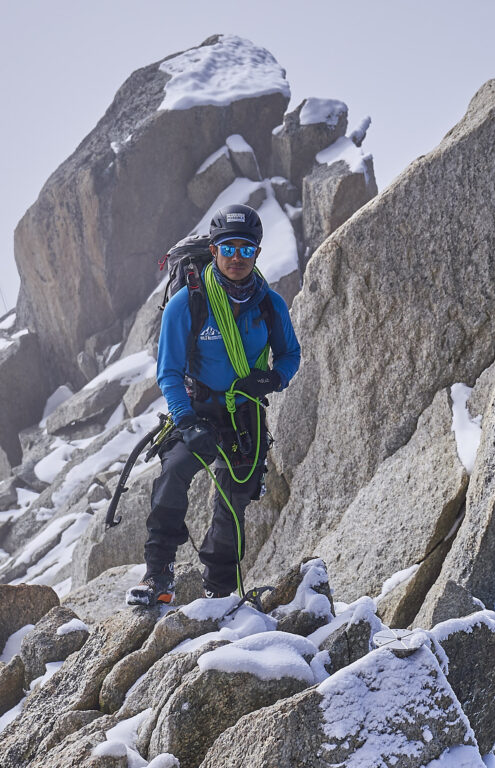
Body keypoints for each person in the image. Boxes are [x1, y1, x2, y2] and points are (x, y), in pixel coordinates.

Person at [126, 204, 301, 606]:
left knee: (234, 496)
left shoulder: (269, 304)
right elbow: (168, 372)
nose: (236, 258)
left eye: (246, 250)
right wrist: (186, 421)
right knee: (172, 475)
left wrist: (274, 378)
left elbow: (290, 354)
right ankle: (158, 577)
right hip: (196, 409)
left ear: (257, 253)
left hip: (244, 415)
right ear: (214, 249)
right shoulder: (187, 304)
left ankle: (219, 589)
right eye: (228, 248)